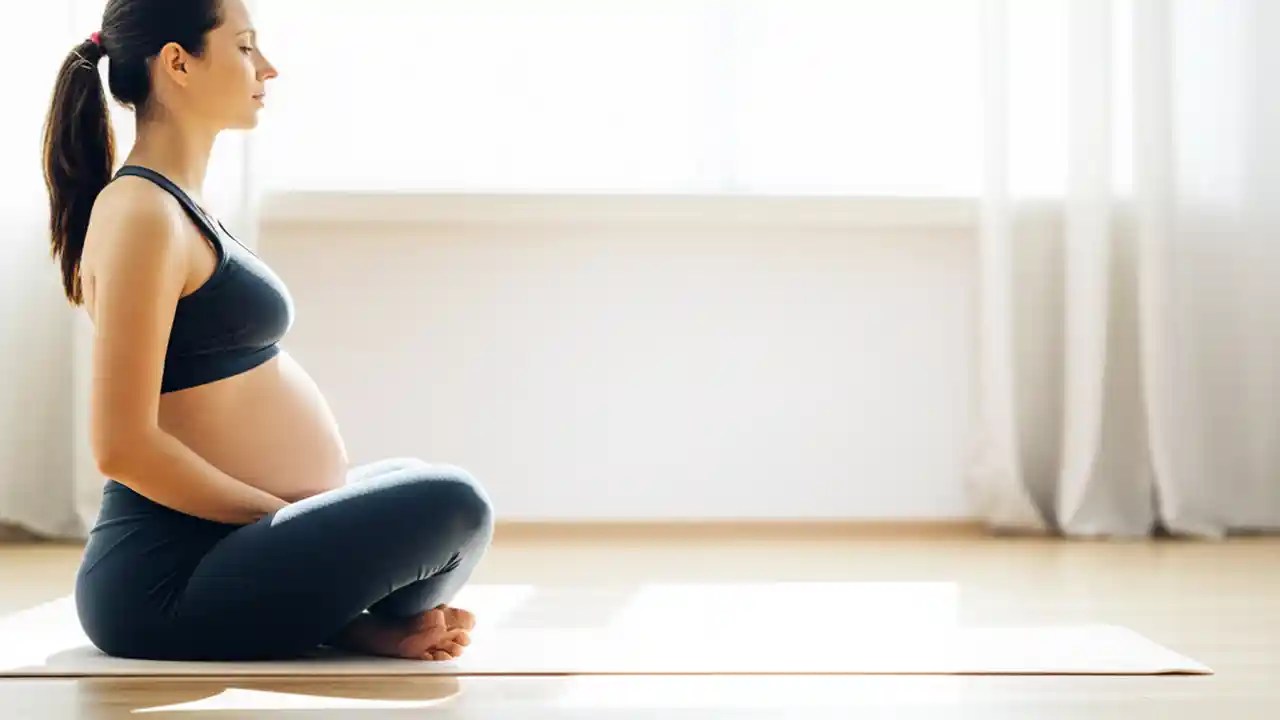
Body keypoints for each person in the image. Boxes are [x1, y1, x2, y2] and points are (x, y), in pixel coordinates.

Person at [41, 0, 494, 662]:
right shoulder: (141, 212)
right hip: (166, 583)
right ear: (177, 63)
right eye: (246, 46)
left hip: (225, 552)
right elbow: (123, 446)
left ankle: (348, 622)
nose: (268, 68)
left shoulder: (177, 205)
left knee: (411, 476)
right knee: (453, 501)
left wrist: (305, 522)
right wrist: (279, 521)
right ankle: (346, 616)